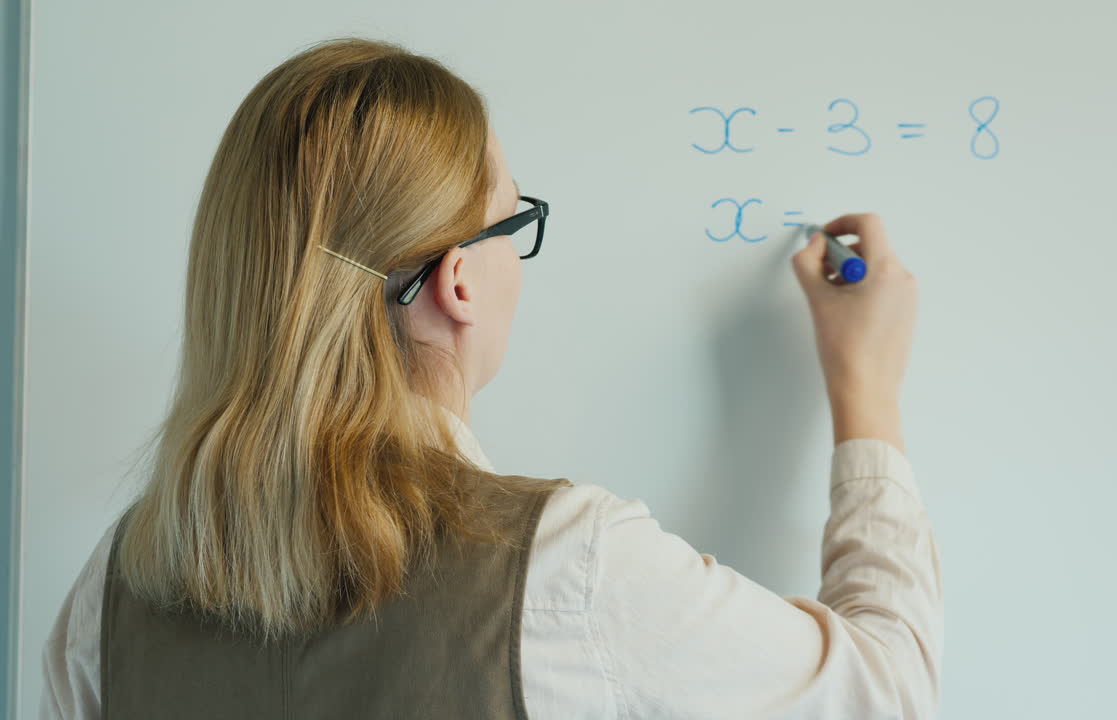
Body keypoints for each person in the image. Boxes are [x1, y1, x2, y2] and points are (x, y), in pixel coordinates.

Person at [39, 36, 941, 719]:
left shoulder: (110, 598)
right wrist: (866, 389)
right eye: (515, 220)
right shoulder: (567, 569)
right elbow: (886, 691)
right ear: (458, 279)